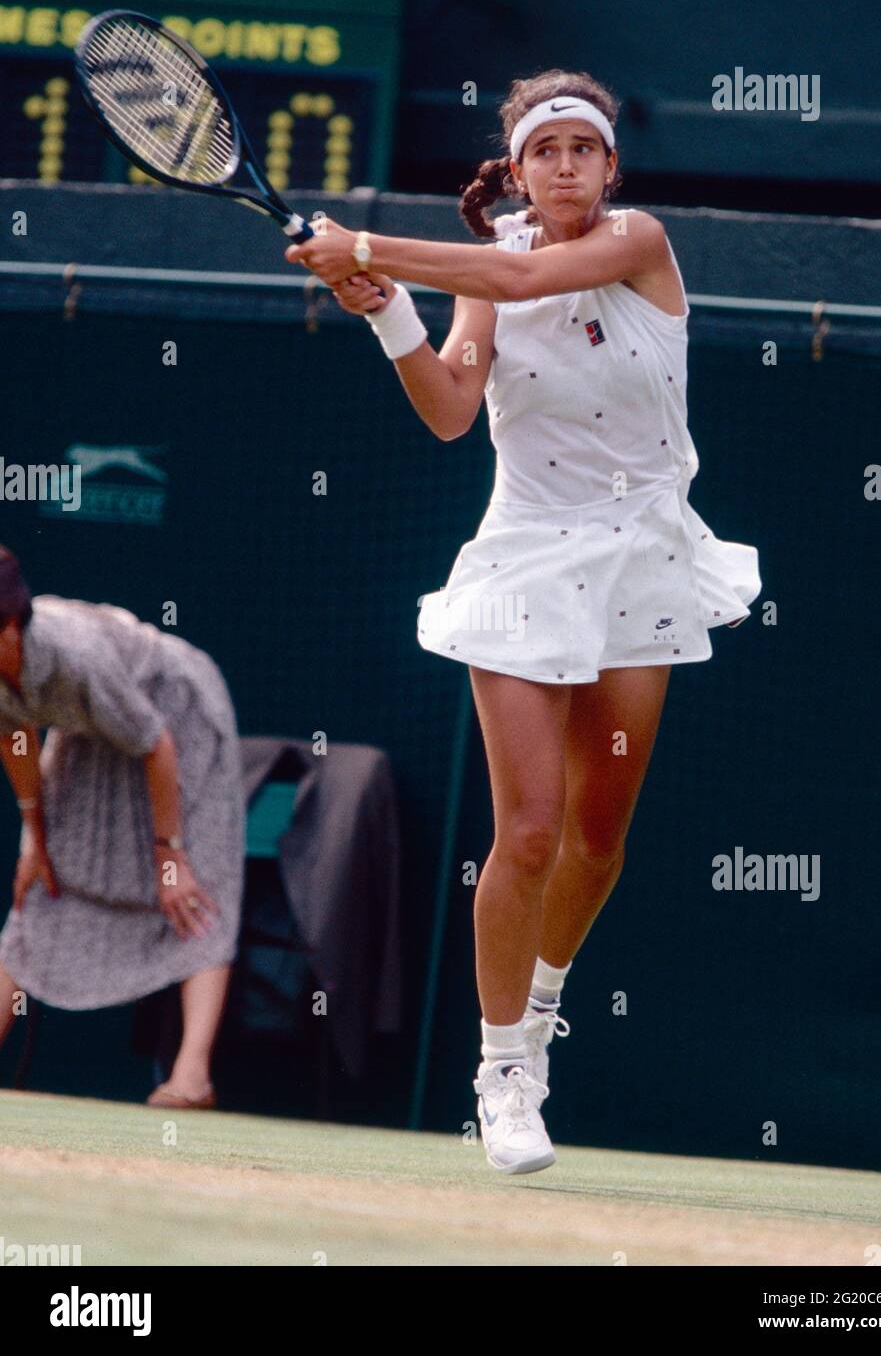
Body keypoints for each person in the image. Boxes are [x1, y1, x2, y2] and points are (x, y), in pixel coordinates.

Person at [286, 69, 761, 1174]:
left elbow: (509, 267)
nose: (562, 166)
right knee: (532, 831)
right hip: (524, 559)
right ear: (516, 168)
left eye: (580, 150)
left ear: (608, 168)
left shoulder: (637, 240)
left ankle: (541, 1012)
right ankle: (505, 1074)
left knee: (598, 842)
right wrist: (388, 311)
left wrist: (366, 249)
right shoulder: (490, 271)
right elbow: (453, 409)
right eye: (541, 150)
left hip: (644, 554)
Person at [0, 547, 245, 1108]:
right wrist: (34, 837)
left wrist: (170, 858)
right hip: (94, 727)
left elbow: (156, 744)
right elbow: (12, 733)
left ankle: (191, 1077)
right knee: (43, 880)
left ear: (11, 625)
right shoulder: (10, 660)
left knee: (194, 887)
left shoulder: (75, 655)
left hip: (175, 712)